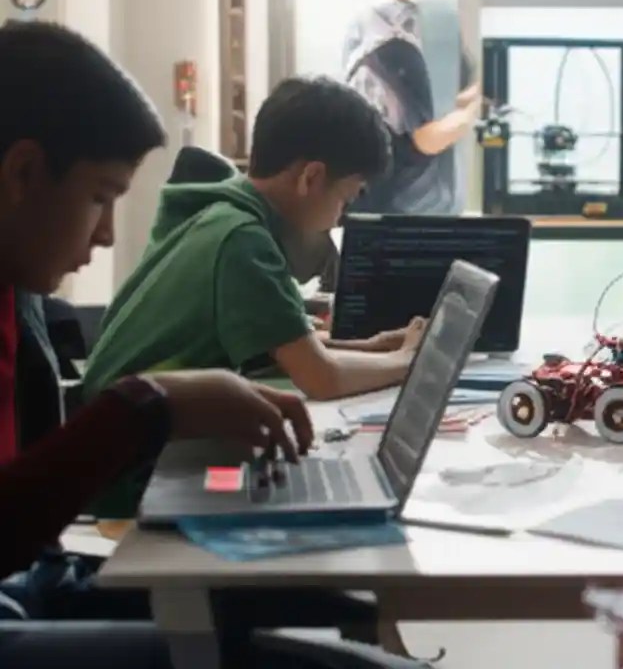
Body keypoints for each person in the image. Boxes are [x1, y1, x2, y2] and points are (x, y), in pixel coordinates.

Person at [0, 20, 421, 669]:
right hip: (32, 584)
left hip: (34, 575)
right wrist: (150, 405)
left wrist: (160, 402)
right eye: (99, 198)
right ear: (24, 173)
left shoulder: (16, 291)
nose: (108, 235)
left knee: (342, 612)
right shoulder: (237, 233)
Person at [81, 76, 433, 519]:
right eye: (346, 199)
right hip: (136, 474)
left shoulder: (221, 212)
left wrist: (373, 347)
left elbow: (284, 344)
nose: (340, 217)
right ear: (312, 177)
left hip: (131, 448)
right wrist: (414, 362)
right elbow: (320, 377)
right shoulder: (243, 240)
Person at [342, 0, 480, 216]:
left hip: (436, 207)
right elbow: (425, 138)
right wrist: (470, 115)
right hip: (393, 210)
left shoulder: (434, 24)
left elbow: (462, 88)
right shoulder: (375, 34)